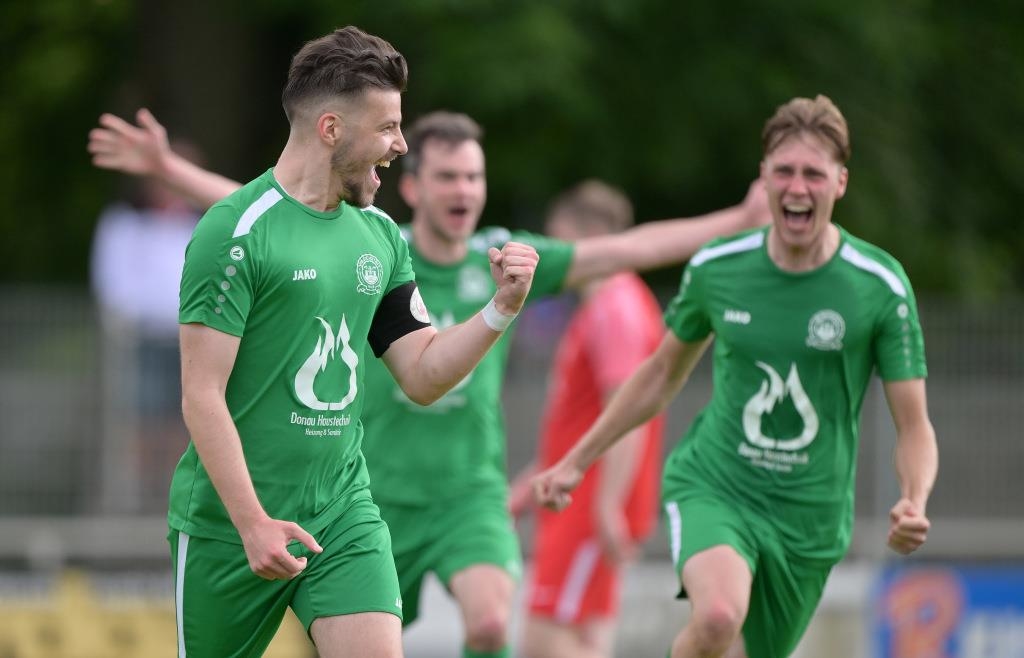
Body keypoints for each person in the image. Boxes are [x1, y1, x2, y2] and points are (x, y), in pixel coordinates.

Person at [88, 107, 768, 657]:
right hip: (379, 485)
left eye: (474, 177)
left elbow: (622, 250)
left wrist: (738, 222)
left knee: (490, 625)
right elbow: (269, 213)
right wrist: (170, 171)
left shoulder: (497, 257)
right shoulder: (376, 238)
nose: (464, 191)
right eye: (448, 176)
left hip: (457, 496)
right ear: (416, 186)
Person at [116, 26, 541, 658]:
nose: (401, 146)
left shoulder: (379, 236)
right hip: (229, 526)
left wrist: (499, 311)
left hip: (342, 512)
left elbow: (422, 374)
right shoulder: (234, 233)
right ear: (332, 128)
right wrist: (252, 522)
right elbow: (200, 396)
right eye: (389, 128)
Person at [532, 94, 939, 658]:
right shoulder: (719, 267)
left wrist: (914, 499)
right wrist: (578, 460)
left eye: (813, 174)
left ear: (840, 183)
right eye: (785, 172)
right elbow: (657, 377)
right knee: (719, 617)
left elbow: (913, 424)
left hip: (810, 520)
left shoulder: (879, 286)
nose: (798, 188)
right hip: (716, 486)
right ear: (764, 180)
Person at [507, 180, 666, 658]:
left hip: (588, 507)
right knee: (586, 638)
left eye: (557, 243)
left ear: (588, 236)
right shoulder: (605, 306)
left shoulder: (615, 309)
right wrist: (520, 494)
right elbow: (581, 427)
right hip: (578, 500)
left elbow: (629, 415)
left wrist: (608, 505)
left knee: (544, 641)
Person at [90, 146, 202, 511]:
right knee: (141, 420)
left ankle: (173, 497)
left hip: (191, 341)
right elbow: (114, 285)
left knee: (184, 420)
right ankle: (134, 499)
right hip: (141, 340)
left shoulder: (201, 225)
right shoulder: (126, 224)